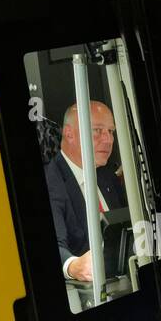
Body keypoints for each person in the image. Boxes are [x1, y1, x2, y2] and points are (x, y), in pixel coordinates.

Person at [44, 100, 127, 282]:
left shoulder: (108, 176)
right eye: (97, 130)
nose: (108, 140)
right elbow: (51, 246)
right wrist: (73, 266)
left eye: (110, 131)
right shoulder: (50, 182)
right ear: (69, 134)